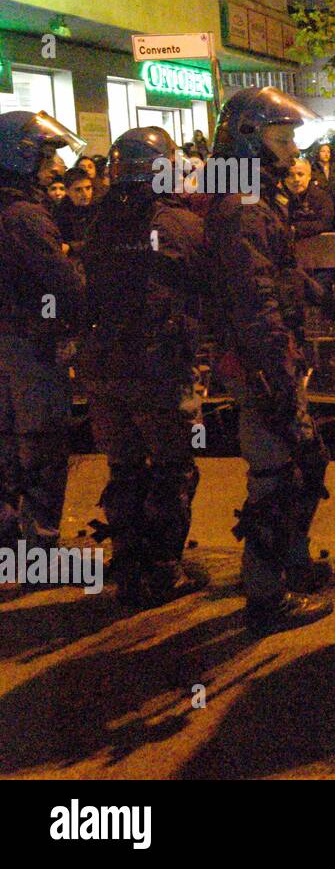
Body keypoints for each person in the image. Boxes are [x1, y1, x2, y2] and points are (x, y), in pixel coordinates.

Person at [207, 87, 335, 636]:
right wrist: (277, 373)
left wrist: (322, 295)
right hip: (260, 362)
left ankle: (292, 562)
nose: (292, 153)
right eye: (281, 140)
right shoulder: (243, 208)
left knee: (306, 463)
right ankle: (265, 595)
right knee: (275, 475)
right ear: (249, 143)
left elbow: (276, 273)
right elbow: (254, 298)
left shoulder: (256, 202)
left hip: (269, 355)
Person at [80, 128, 210, 607]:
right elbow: (208, 281)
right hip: (156, 366)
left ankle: (130, 565)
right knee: (174, 467)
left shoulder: (100, 221)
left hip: (103, 364)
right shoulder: (177, 223)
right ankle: (163, 569)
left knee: (125, 468)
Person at [0, 111, 87, 566]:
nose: (55, 167)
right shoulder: (26, 217)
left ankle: (9, 544)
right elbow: (64, 285)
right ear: (22, 157)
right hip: (31, 348)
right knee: (43, 445)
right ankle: (40, 551)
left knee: (8, 446)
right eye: (48, 155)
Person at [283, 156, 335, 240]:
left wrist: (295, 228)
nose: (296, 179)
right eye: (291, 175)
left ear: (309, 176)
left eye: (300, 174)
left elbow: (325, 223)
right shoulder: (278, 198)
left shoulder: (322, 197)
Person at [55, 167, 96, 256]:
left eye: (88, 188)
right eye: (78, 189)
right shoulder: (59, 215)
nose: (85, 194)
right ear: (67, 191)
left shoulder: (97, 210)